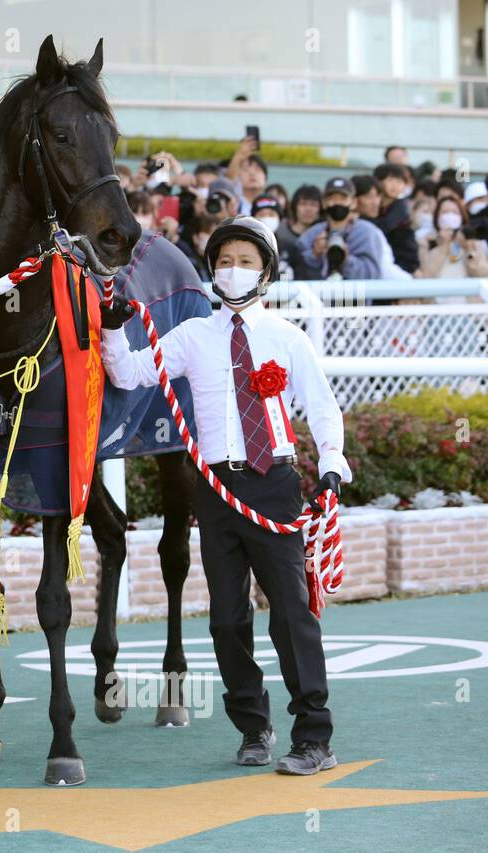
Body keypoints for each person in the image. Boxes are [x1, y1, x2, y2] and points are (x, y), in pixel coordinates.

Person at [100, 216, 350, 775]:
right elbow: (130, 374)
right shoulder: (194, 335)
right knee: (227, 620)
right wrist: (114, 331)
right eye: (225, 262)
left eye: (246, 262)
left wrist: (332, 466)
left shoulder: (286, 337)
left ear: (266, 273)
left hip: (274, 485)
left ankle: (314, 737)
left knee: (291, 614)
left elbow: (323, 406)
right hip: (215, 488)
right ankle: (253, 728)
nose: (233, 271)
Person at [297, 177, 383, 279]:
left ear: (353, 202)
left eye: (343, 198)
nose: (337, 203)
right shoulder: (312, 234)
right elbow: (297, 272)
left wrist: (345, 259)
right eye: (332, 198)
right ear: (324, 203)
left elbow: (373, 274)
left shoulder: (366, 232)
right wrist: (314, 254)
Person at [372, 163, 420, 275]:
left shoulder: (401, 205)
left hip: (403, 261)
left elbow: (385, 226)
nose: (395, 185)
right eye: (390, 180)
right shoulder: (375, 205)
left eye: (400, 182)